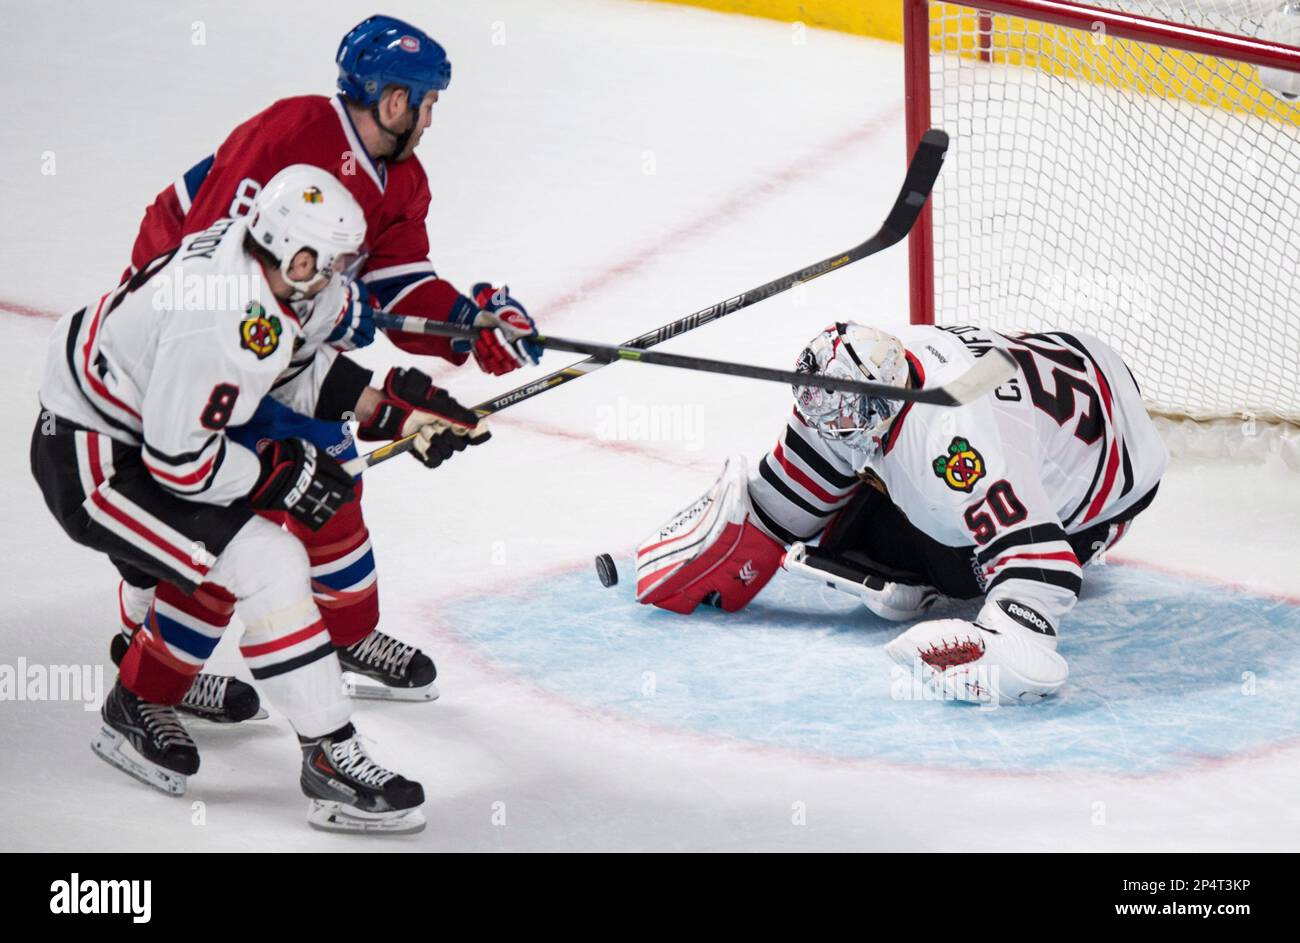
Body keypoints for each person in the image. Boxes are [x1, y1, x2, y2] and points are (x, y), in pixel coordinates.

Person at [32, 165, 487, 832]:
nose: (336, 277)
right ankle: (315, 752)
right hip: (96, 465)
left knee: (240, 556)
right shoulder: (215, 315)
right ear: (294, 254)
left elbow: (286, 359)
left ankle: (163, 684)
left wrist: (384, 407)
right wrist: (277, 471)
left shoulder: (264, 269)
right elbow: (180, 465)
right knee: (265, 560)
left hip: (137, 429)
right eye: (328, 264)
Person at [115, 14, 542, 714]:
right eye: (429, 102)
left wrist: (468, 325)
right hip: (193, 328)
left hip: (284, 334)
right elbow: (219, 268)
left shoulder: (402, 180)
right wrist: (303, 349)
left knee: (334, 482)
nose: (433, 118)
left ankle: (345, 638)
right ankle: (146, 654)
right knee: (215, 505)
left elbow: (399, 286)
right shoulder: (293, 133)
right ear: (395, 101)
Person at [636, 322, 1167, 704]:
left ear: (874, 407)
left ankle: (938, 580)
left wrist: (1011, 639)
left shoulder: (956, 449)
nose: (825, 424)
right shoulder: (883, 366)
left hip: (1118, 478)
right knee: (854, 513)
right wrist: (746, 531)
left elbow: (1043, 566)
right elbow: (787, 497)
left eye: (840, 418)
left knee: (930, 550)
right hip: (1086, 362)